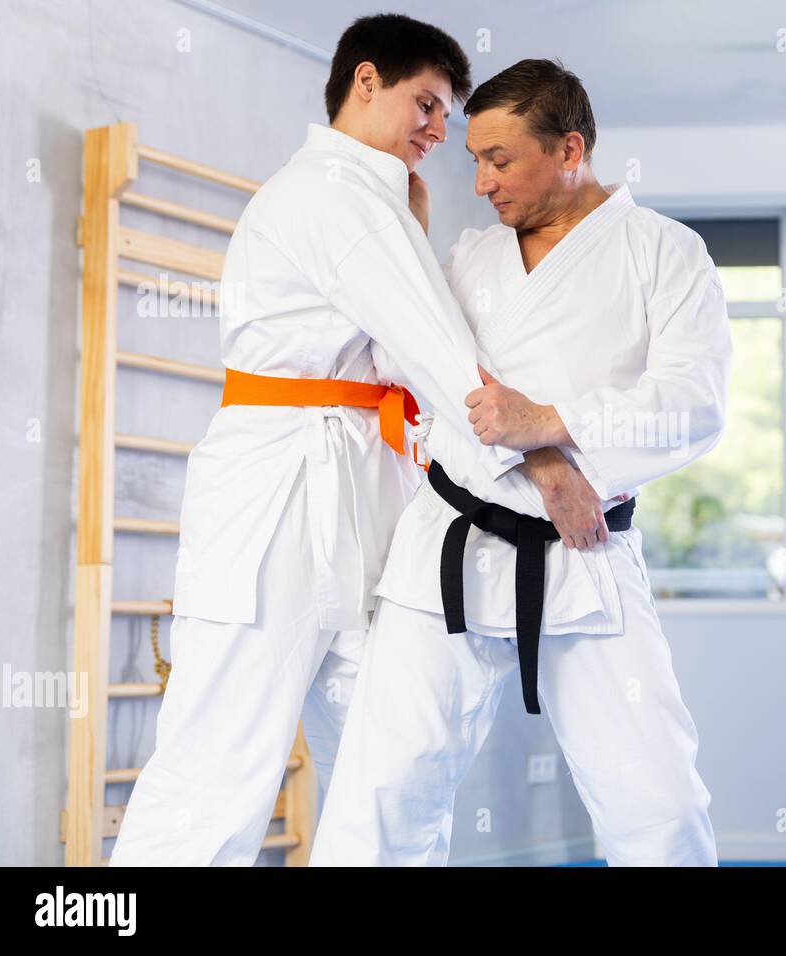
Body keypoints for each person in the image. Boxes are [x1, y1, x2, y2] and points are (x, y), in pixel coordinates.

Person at [111, 17, 591, 866]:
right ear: (366, 81)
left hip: (362, 488)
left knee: (394, 759)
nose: (441, 131)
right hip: (282, 492)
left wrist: (412, 219)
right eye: (429, 104)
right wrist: (550, 465)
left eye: (445, 116)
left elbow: (412, 346)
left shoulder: (375, 199)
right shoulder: (332, 193)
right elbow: (440, 353)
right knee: (221, 760)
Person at [310, 60, 730, 867]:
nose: (481, 181)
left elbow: (695, 404)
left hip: (586, 550)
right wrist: (544, 458)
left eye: (499, 159)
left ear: (570, 148)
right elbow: (417, 379)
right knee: (384, 795)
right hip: (449, 547)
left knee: (660, 804)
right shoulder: (470, 259)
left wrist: (551, 421)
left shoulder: (665, 254)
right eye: (472, 158)